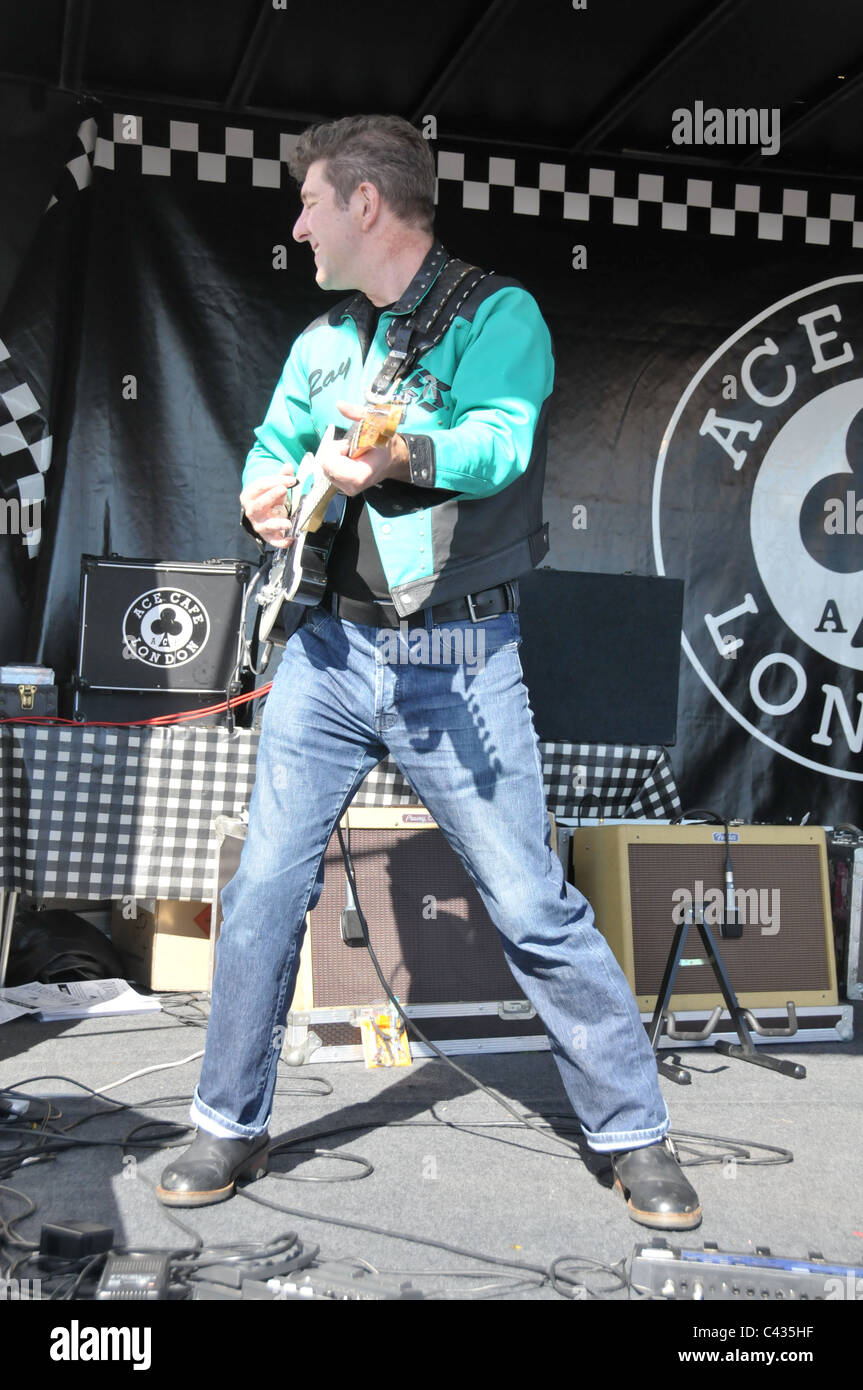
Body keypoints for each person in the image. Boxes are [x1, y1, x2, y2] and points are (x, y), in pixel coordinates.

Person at [157, 114, 701, 1230]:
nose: (296, 222)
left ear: (364, 204)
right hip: (324, 649)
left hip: (456, 657)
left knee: (528, 900)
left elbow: (498, 438)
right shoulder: (321, 344)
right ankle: (226, 1119)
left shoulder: (498, 316)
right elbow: (271, 453)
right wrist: (270, 493)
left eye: (310, 201)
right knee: (263, 885)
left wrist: (397, 454)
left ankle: (631, 1135)